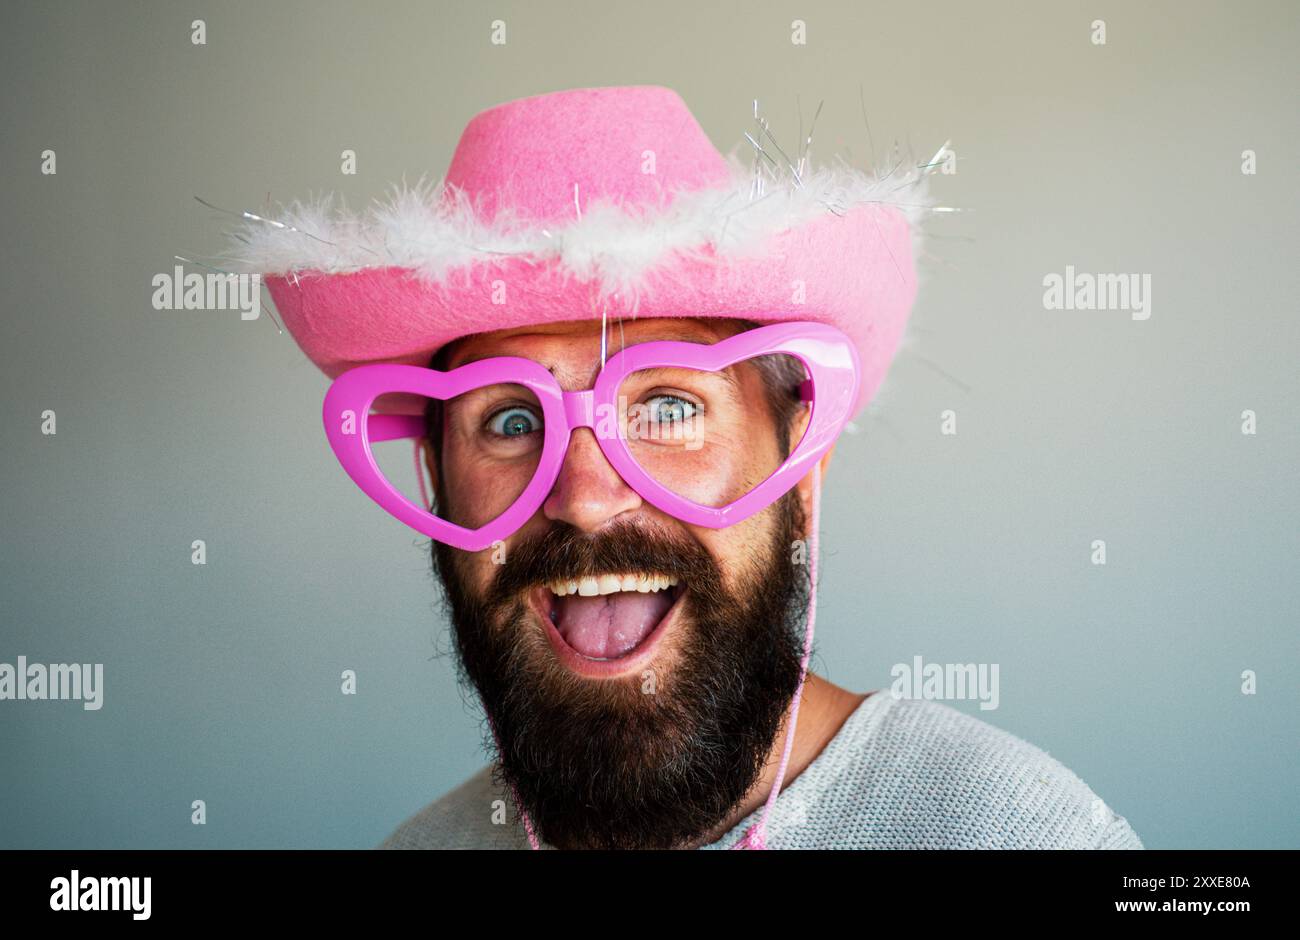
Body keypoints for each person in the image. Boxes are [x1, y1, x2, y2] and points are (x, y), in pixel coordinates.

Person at [231, 84, 1143, 850]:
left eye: (667, 407)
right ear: (436, 479)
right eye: (509, 420)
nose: (585, 497)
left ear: (802, 461)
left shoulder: (1023, 835)